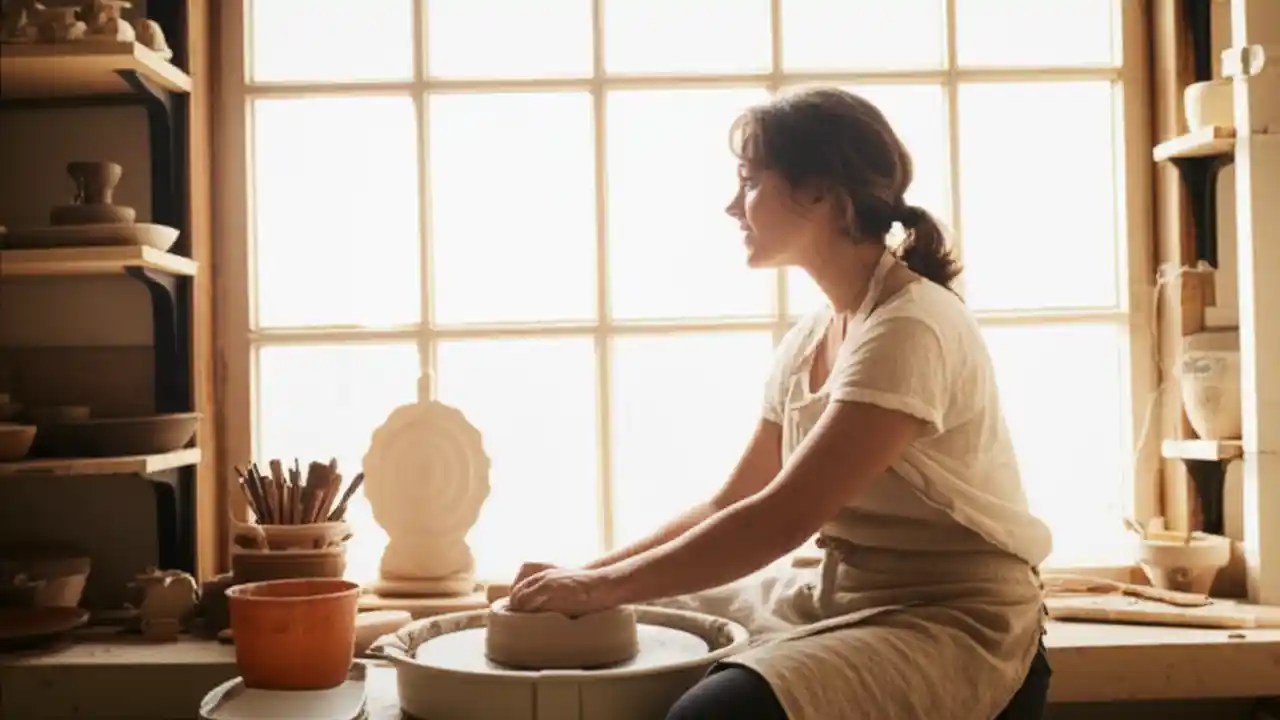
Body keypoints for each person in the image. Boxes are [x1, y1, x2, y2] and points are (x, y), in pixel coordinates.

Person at [507, 86, 1053, 720]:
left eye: (749, 181)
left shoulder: (911, 324)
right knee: (643, 631)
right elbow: (732, 501)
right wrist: (583, 579)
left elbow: (783, 518)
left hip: (952, 616)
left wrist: (595, 586)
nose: (731, 205)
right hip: (841, 596)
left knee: (714, 716)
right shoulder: (812, 337)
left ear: (820, 192)